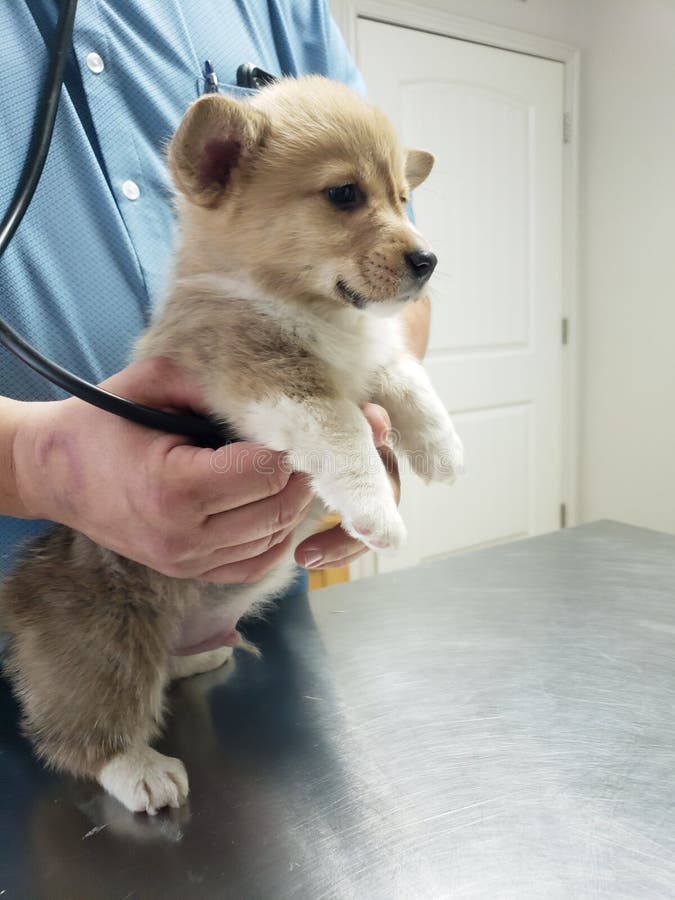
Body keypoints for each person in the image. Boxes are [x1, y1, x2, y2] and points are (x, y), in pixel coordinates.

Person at [0, 0, 429, 586]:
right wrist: (31, 466)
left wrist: (371, 419)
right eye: (343, 194)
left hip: (261, 595)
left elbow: (395, 275)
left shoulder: (284, 8)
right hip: (60, 595)